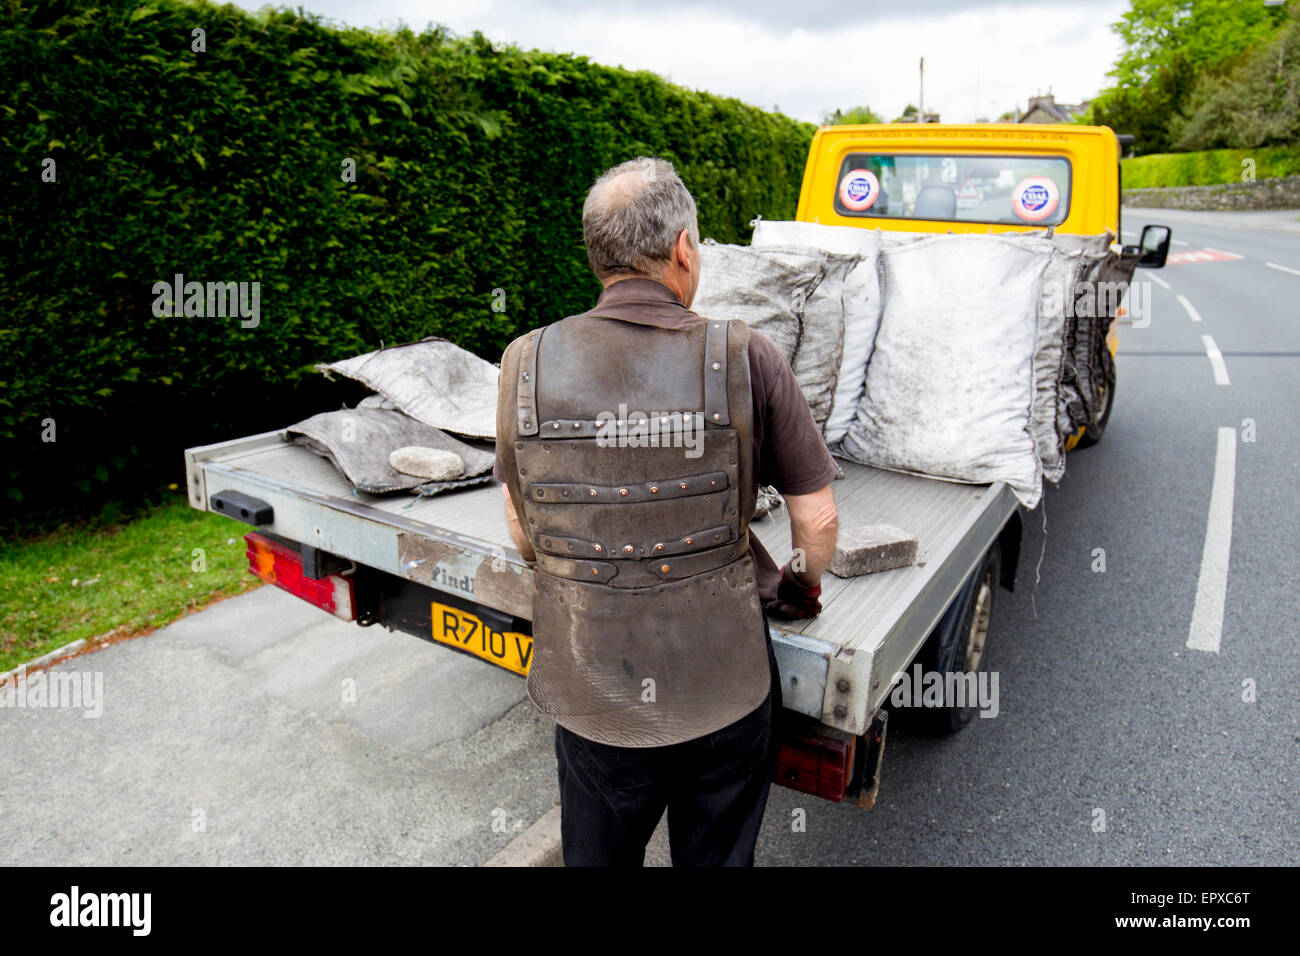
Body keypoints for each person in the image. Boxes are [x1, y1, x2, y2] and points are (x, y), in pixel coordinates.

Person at [492, 156, 838, 866]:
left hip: (591, 686)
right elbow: (819, 520)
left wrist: (565, 573)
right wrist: (798, 588)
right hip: (726, 687)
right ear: (683, 248)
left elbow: (521, 523)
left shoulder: (523, 362)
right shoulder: (749, 355)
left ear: (599, 255)